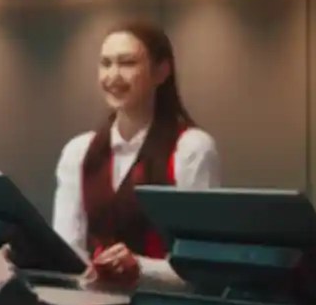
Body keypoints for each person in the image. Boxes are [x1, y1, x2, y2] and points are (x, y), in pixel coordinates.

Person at [52, 20, 220, 290]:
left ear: (161, 72)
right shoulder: (78, 151)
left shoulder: (192, 149)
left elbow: (201, 262)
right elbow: (67, 249)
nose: (113, 76)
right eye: (105, 63)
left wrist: (142, 267)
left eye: (127, 63)